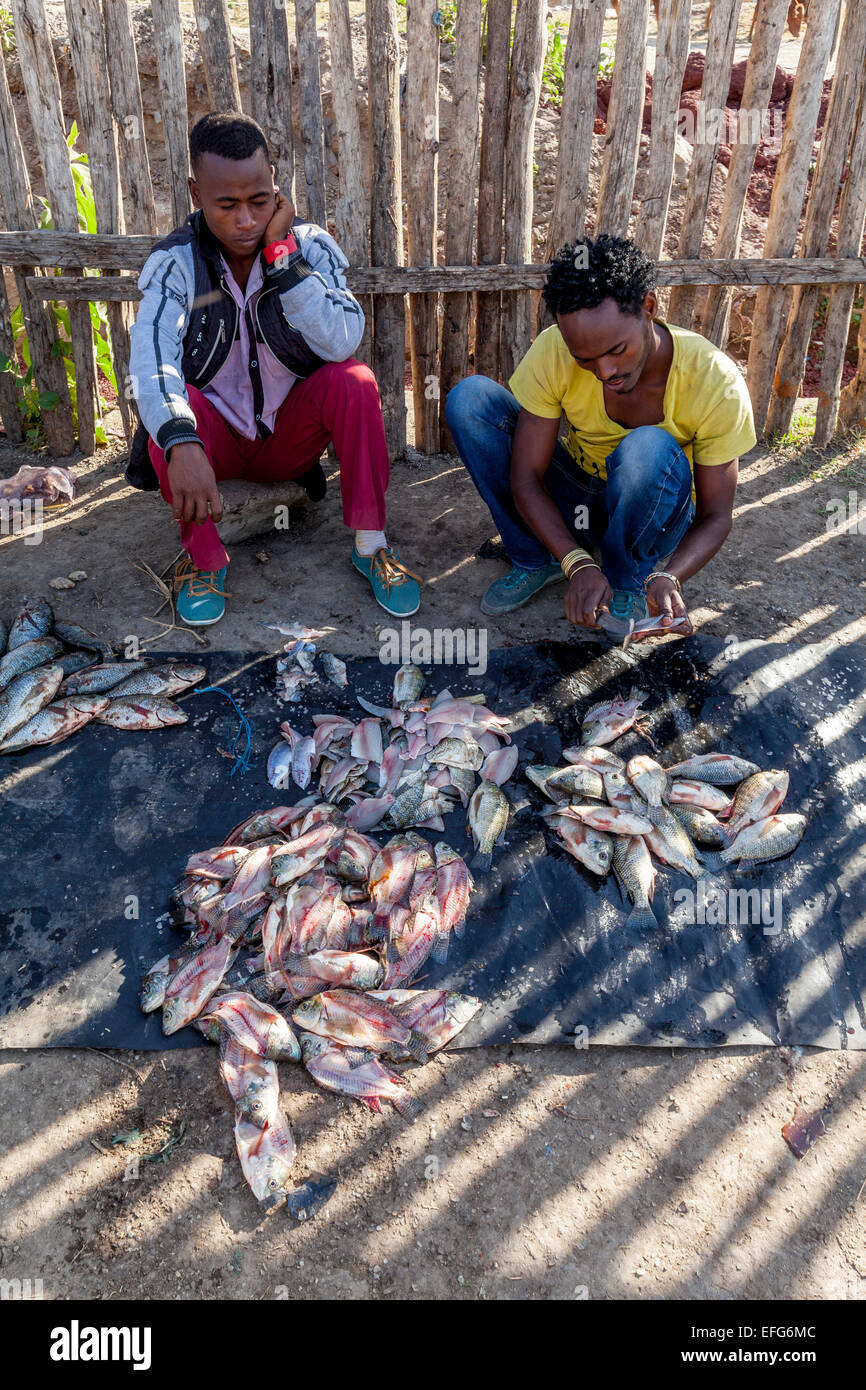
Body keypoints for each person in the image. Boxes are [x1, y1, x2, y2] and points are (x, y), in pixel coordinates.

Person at [128, 111, 421, 626]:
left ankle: (371, 546)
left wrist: (283, 258)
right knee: (173, 414)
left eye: (259, 201)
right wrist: (181, 440)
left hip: (287, 443)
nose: (246, 221)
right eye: (227, 205)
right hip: (214, 446)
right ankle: (203, 560)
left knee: (353, 381)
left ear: (276, 191)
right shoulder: (176, 264)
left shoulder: (307, 247)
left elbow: (342, 339)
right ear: (196, 195)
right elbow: (152, 365)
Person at [446, 234, 757, 637]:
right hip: (580, 497)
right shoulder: (554, 350)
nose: (605, 371)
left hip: (653, 513)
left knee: (647, 447)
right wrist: (576, 562)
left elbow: (716, 516)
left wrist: (671, 578)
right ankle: (538, 558)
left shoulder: (715, 381)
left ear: (648, 307)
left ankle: (628, 578)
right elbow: (526, 477)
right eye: (585, 358)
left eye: (617, 350)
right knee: (470, 401)